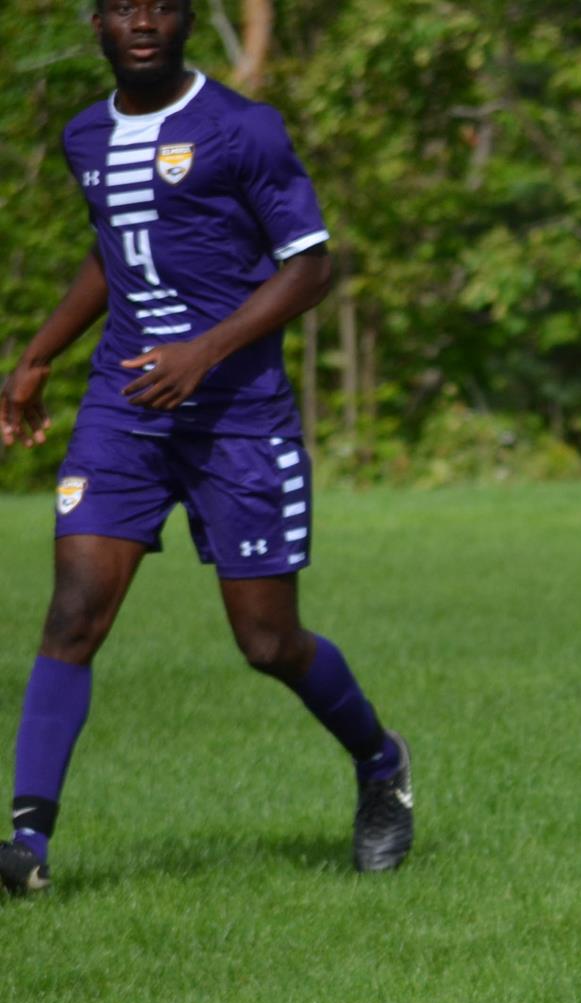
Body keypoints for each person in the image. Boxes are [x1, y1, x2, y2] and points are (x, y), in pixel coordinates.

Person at [0, 0, 412, 896]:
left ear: (186, 20)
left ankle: (381, 764)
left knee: (267, 642)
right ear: (97, 24)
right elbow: (113, 254)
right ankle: (27, 844)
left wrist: (205, 352)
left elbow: (310, 266)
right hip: (125, 406)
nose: (142, 21)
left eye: (160, 6)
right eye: (122, 7)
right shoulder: (83, 137)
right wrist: (36, 358)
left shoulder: (242, 129)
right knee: (74, 611)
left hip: (238, 417)